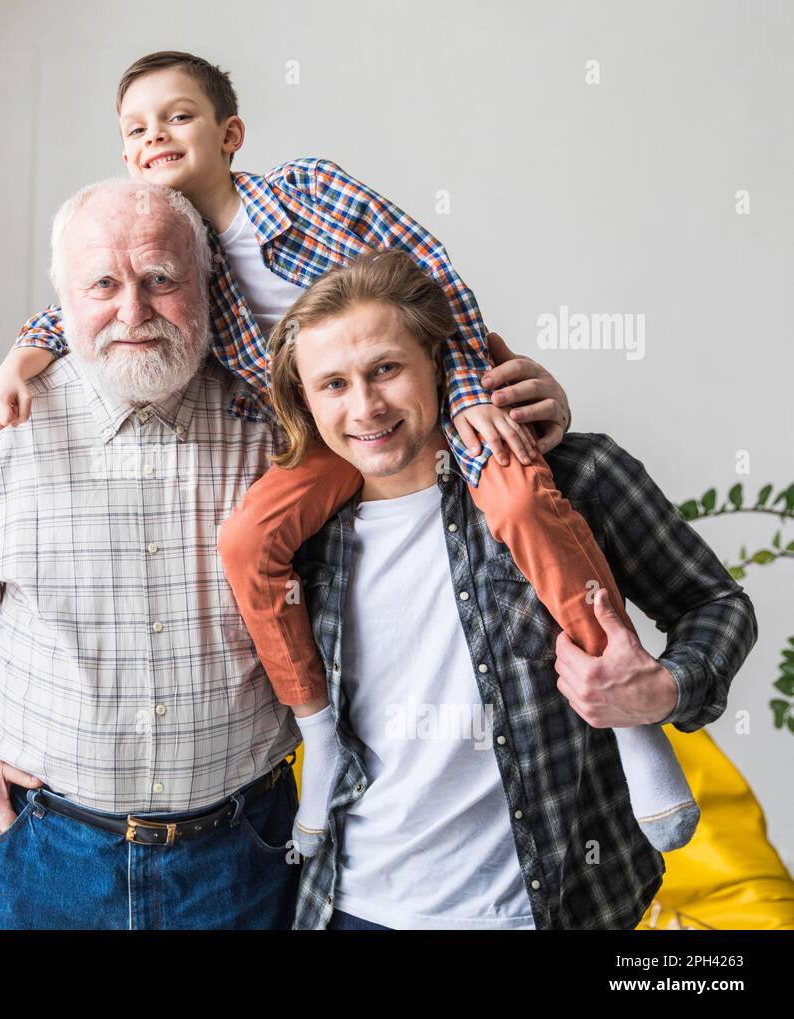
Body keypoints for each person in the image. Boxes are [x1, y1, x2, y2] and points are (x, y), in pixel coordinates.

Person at [0, 49, 699, 855]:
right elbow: (91, 295)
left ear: (230, 132)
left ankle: (626, 709)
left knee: (522, 501)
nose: (157, 137)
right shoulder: (180, 258)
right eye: (136, 130)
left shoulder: (311, 189)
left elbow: (434, 274)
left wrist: (465, 393)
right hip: (324, 432)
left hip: (431, 388)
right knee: (246, 541)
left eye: (177, 116)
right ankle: (319, 736)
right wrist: (19, 360)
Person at [0, 180, 571, 929]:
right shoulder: (6, 429)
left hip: (242, 860)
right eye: (102, 285)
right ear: (63, 301)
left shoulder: (289, 420)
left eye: (161, 279)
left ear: (209, 282)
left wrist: (519, 404)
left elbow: (398, 388)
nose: (133, 311)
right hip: (44, 859)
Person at [270, 250, 757, 929]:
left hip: (552, 908)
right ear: (306, 399)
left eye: (386, 369)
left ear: (438, 362)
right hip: (350, 908)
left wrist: (666, 688)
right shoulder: (301, 535)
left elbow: (717, 604)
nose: (366, 406)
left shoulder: (573, 477)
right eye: (333, 384)